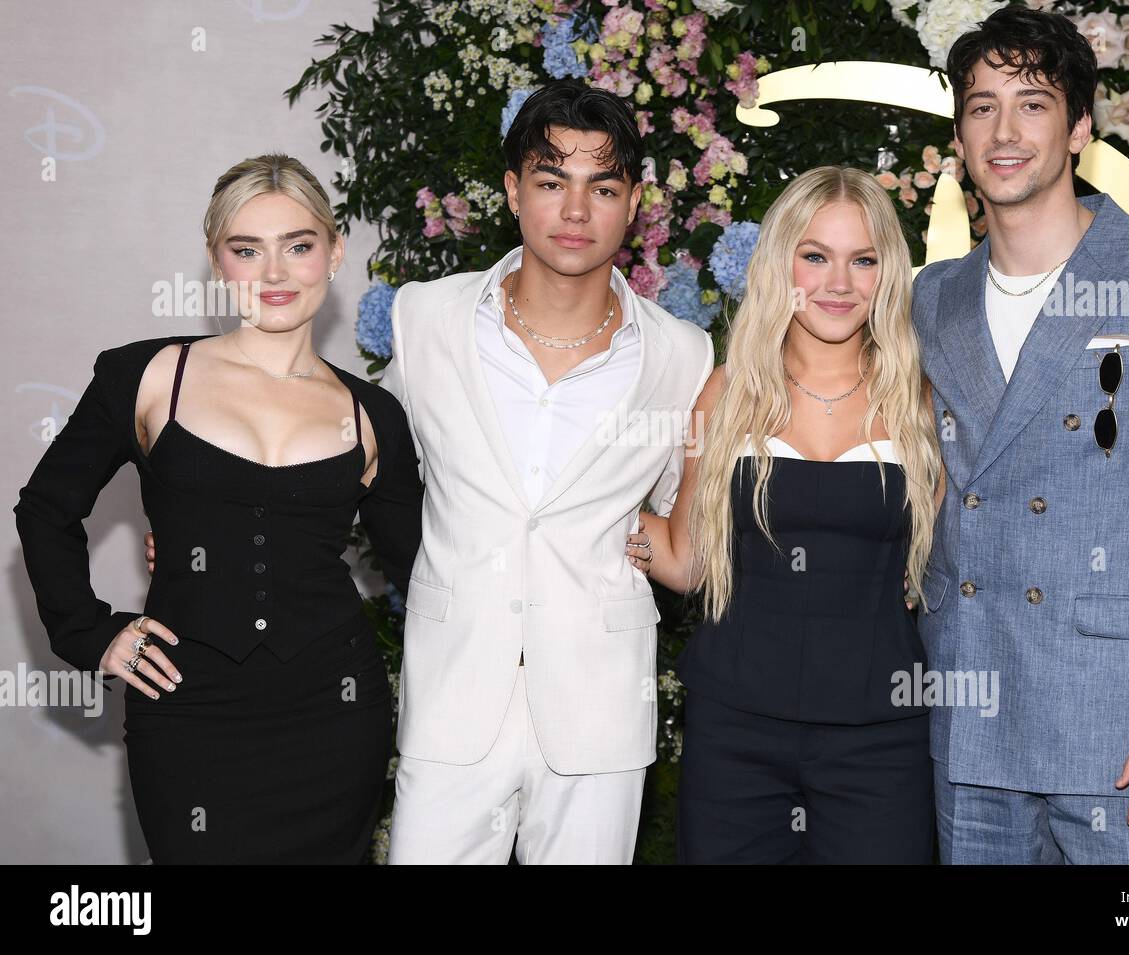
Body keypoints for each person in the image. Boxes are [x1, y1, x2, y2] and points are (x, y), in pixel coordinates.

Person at [910, 6, 1129, 863]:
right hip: (972, 712)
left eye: (1032, 103)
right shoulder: (932, 297)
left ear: (1079, 127)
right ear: (959, 136)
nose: (1004, 131)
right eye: (980, 106)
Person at [14, 154, 424, 863]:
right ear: (215, 261)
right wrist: (90, 632)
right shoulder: (145, 376)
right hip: (187, 710)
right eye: (246, 250)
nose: (274, 274)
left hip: (333, 710)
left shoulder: (374, 414)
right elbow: (45, 507)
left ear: (334, 252)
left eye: (298, 245)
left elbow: (424, 568)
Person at [380, 80, 714, 864]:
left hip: (599, 709)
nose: (575, 211)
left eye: (601, 186)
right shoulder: (428, 318)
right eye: (550, 181)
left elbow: (681, 522)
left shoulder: (680, 355)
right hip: (452, 699)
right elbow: (362, 467)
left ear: (633, 202)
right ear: (512, 192)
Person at [630, 166, 946, 863]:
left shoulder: (919, 402)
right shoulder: (727, 393)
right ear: (782, 264)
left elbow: (941, 569)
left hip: (882, 739)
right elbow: (687, 560)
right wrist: (591, 512)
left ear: (886, 272)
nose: (839, 281)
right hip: (735, 736)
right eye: (816, 255)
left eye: (863, 259)